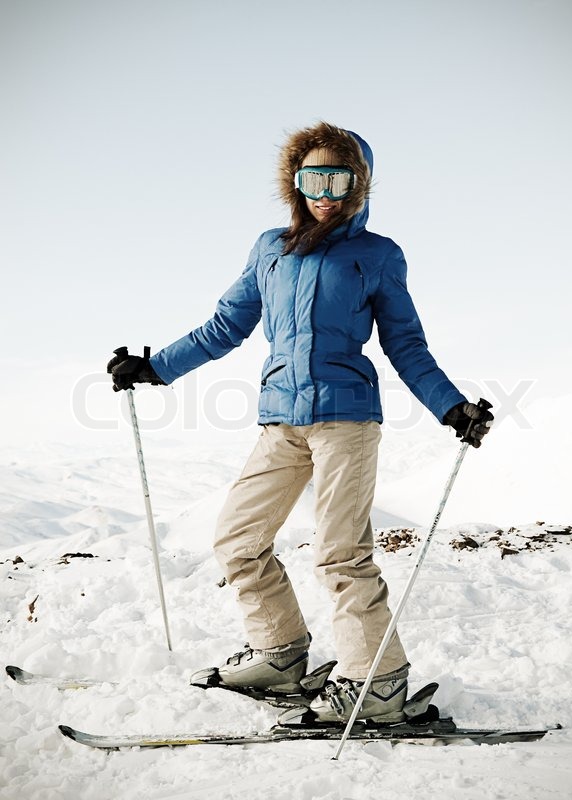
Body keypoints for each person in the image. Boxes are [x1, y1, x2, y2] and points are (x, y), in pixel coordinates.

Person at [107, 121, 493, 723]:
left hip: (347, 422)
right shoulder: (271, 248)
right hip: (280, 422)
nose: (324, 190)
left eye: (339, 177)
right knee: (237, 541)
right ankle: (280, 654)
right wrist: (155, 368)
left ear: (358, 185)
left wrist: (451, 406)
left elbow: (406, 345)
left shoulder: (379, 255)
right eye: (312, 175)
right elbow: (225, 326)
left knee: (341, 556)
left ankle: (378, 683)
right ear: (294, 181)